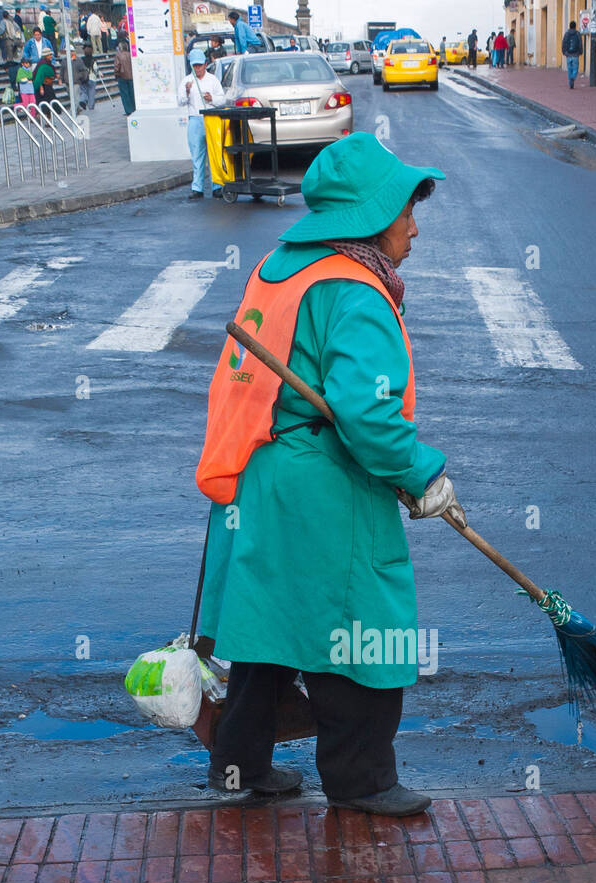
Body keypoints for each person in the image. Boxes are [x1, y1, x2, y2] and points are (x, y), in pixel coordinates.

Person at [194, 133, 460, 817]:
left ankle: (241, 768)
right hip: (323, 486)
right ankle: (362, 780)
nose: (414, 226)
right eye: (406, 211)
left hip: (264, 472)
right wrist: (422, 472)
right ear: (372, 216)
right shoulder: (355, 292)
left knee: (268, 626)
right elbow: (367, 417)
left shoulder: (286, 265)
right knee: (361, 628)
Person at [178, 48, 225, 200]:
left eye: (199, 65)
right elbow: (180, 101)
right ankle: (197, 188)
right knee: (197, 155)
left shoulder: (213, 80)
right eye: (194, 65)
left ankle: (217, 186)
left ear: (205, 64)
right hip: (195, 119)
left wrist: (212, 99)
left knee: (214, 154)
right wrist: (186, 92)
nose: (197, 68)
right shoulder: (187, 81)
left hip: (211, 119)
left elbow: (222, 100)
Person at [114, 36, 134, 114]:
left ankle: (128, 110)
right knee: (131, 93)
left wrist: (116, 75)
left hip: (122, 76)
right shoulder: (130, 54)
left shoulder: (118, 55)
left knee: (125, 95)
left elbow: (117, 66)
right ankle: (133, 108)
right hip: (131, 76)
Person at [561, 19, 582, 87]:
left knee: (569, 69)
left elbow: (563, 43)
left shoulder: (566, 34)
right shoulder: (577, 33)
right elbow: (580, 43)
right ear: (575, 26)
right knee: (575, 68)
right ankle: (573, 77)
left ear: (569, 26)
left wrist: (564, 52)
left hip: (568, 55)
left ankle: (570, 83)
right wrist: (580, 52)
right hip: (575, 54)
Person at [74, 43, 96, 107]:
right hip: (92, 78)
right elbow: (95, 69)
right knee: (91, 92)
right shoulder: (93, 60)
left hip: (83, 78)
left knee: (83, 90)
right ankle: (91, 105)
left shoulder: (81, 60)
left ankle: (82, 100)